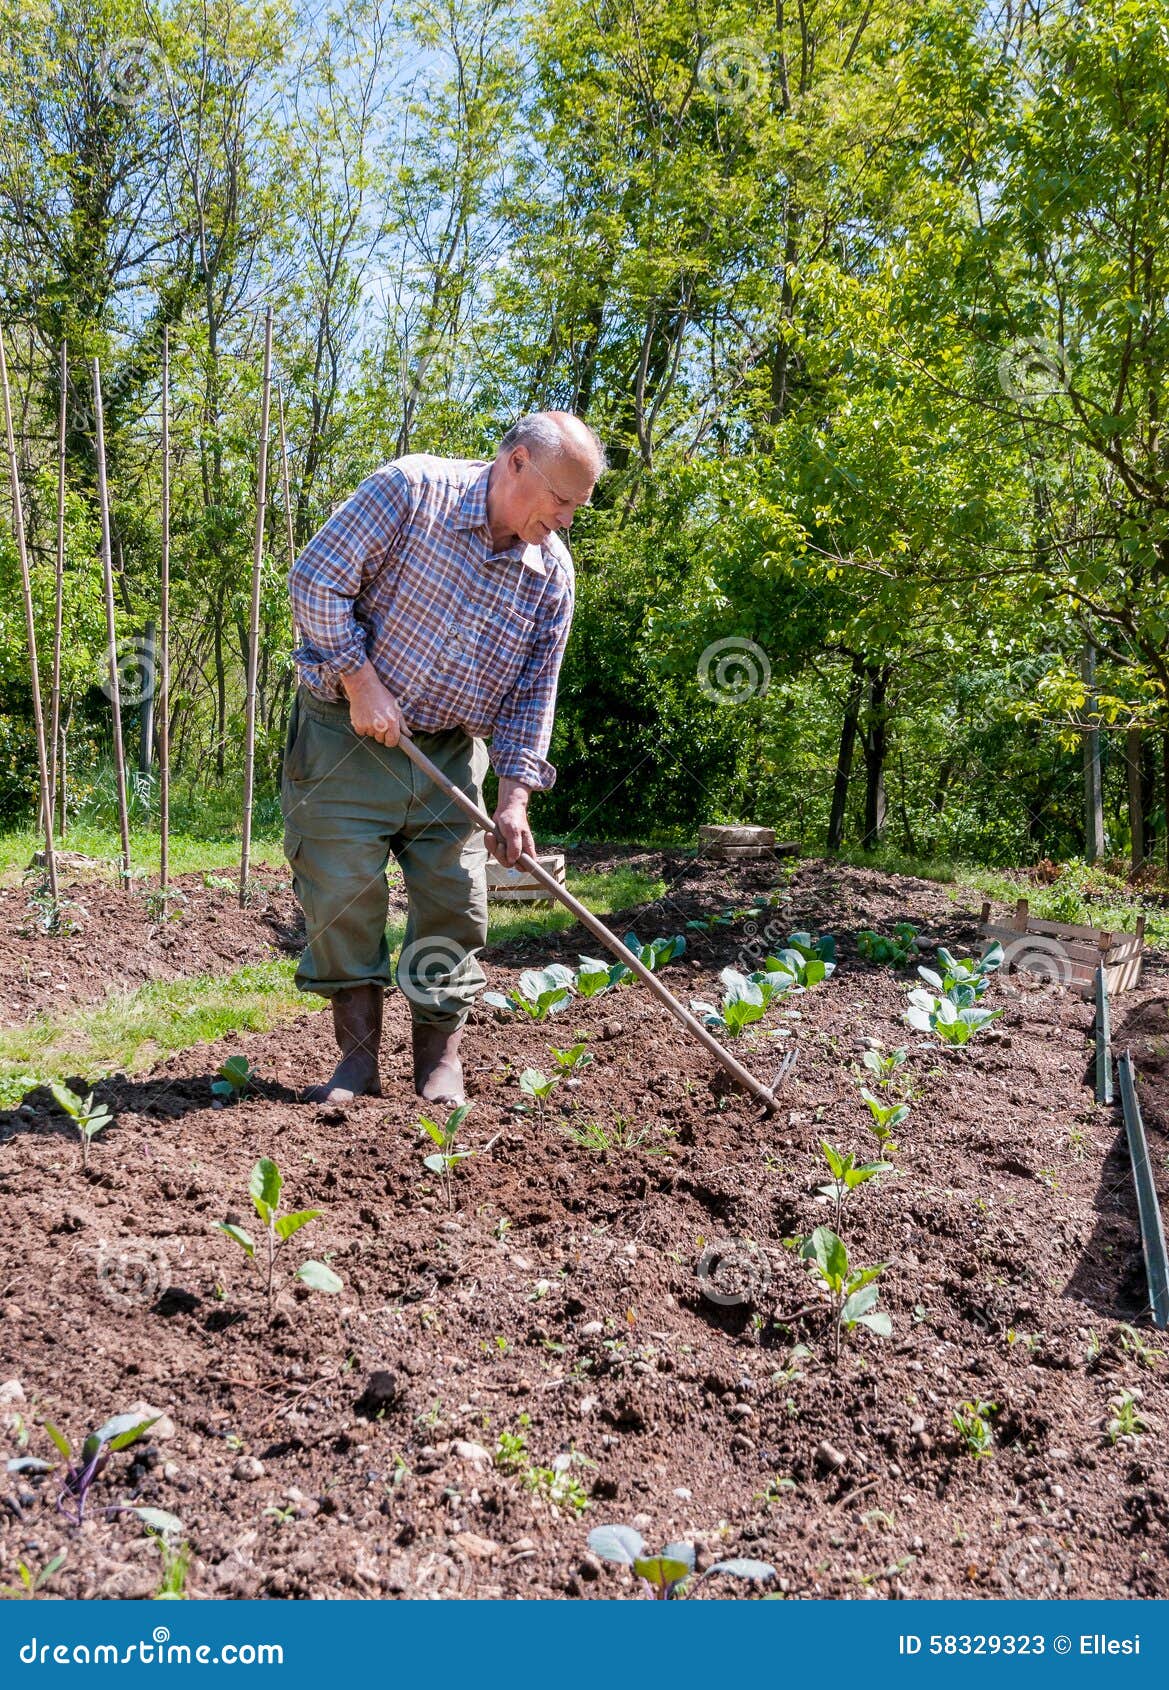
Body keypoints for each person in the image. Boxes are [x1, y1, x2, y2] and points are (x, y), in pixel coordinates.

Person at [282, 410, 604, 1108]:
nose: (568, 520)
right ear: (515, 463)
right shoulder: (409, 491)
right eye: (561, 500)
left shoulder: (550, 575)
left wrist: (513, 799)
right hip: (344, 733)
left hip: (451, 753)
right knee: (343, 898)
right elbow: (315, 581)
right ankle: (357, 1064)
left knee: (453, 902)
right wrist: (360, 682)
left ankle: (439, 1062)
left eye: (578, 507)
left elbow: (532, 696)